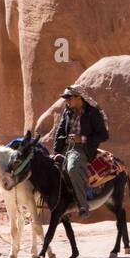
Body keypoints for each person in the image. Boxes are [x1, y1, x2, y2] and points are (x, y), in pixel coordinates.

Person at [43, 85, 109, 217]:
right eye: (66, 99)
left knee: (72, 168)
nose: (67, 101)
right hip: (65, 147)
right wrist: (56, 151)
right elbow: (60, 132)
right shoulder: (67, 112)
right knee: (46, 166)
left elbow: (103, 135)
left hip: (82, 148)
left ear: (79, 97)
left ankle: (83, 205)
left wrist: (82, 139)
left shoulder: (92, 113)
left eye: (69, 98)